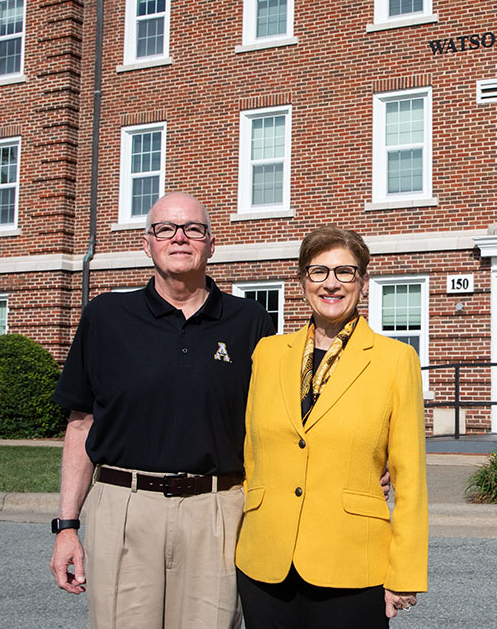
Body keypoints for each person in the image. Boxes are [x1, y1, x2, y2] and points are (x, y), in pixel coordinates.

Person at [48, 192, 274, 629]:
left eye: (193, 228)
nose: (179, 238)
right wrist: (67, 526)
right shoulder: (106, 316)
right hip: (125, 505)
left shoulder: (251, 322)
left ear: (212, 243)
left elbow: (277, 422)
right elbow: (81, 425)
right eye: (165, 229)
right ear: (146, 243)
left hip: (217, 509)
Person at [235, 226, 429, 628]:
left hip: (353, 565)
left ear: (363, 282)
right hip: (266, 562)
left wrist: (404, 573)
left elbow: (410, 479)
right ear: (302, 280)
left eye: (345, 272)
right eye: (318, 271)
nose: (331, 284)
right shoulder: (268, 354)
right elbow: (251, 456)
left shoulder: (395, 360)